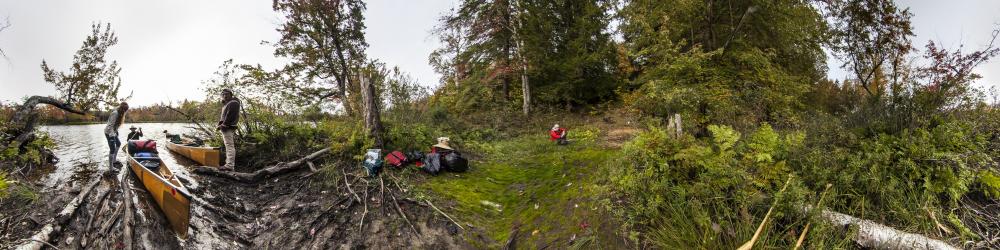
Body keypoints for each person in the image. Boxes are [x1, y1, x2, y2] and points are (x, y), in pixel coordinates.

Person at [217, 89, 241, 171]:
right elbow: (224, 117)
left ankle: (229, 166)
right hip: (227, 127)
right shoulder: (227, 103)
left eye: (226, 94)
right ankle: (229, 164)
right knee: (229, 146)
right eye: (223, 94)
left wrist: (224, 125)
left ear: (231, 94)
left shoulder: (233, 103)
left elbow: (230, 116)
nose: (225, 96)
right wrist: (220, 125)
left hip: (228, 128)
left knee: (229, 146)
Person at [104, 102, 129, 169]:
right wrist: (112, 136)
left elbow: (116, 125)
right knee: (112, 149)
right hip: (108, 132)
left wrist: (116, 131)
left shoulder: (120, 114)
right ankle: (111, 168)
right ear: (122, 109)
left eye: (126, 110)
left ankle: (114, 160)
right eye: (125, 110)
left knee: (118, 143)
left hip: (113, 132)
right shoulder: (115, 113)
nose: (125, 111)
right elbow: (110, 126)